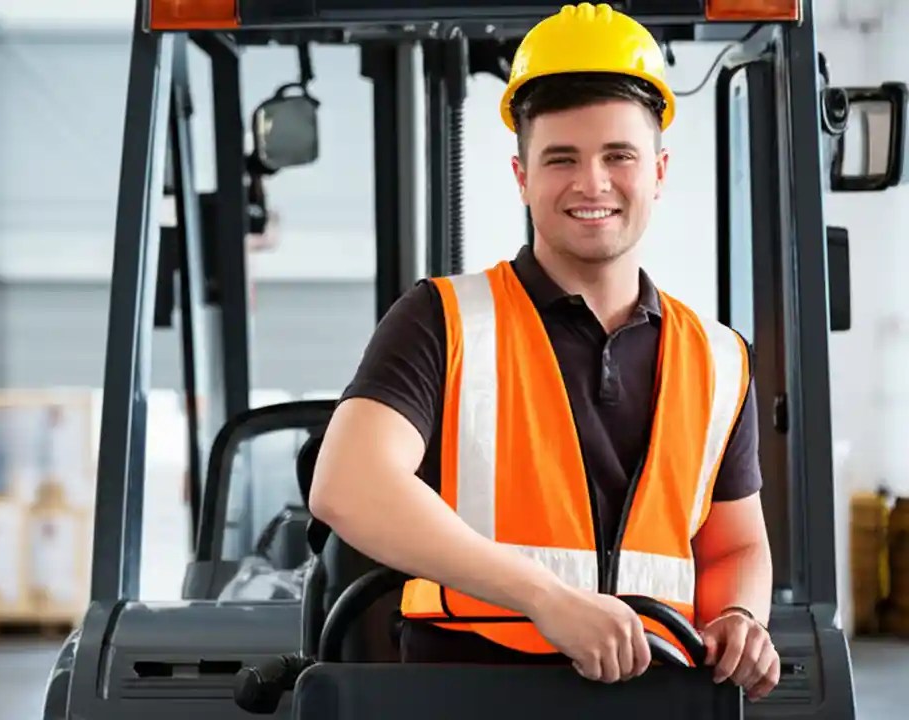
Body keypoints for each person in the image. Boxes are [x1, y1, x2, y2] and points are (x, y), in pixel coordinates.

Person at [308, 2, 781, 703]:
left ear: (658, 170)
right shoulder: (441, 320)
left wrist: (741, 615)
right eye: (562, 159)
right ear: (522, 176)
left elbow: (734, 545)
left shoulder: (717, 358)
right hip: (466, 696)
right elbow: (348, 486)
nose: (592, 183)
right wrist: (547, 600)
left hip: (659, 696)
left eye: (618, 156)